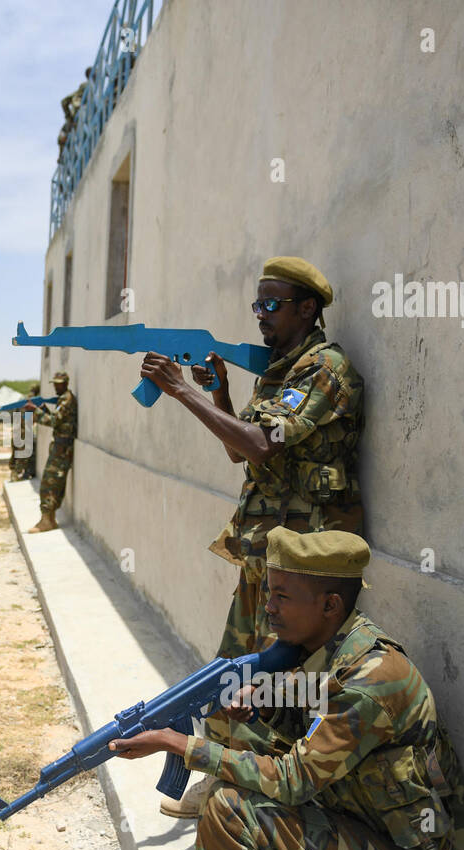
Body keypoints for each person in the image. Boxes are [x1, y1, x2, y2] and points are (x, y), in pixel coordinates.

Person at [139, 256, 365, 818]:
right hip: (268, 549)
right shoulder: (279, 372)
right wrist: (216, 395)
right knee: (235, 665)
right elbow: (243, 448)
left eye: (272, 304)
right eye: (256, 305)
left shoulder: (323, 369)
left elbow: (263, 446)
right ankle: (222, 776)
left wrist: (179, 393)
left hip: (307, 555)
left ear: (307, 308)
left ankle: (253, 786)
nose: (260, 315)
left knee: (278, 675)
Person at [108, 527, 464, 850]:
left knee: (229, 808)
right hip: (361, 824)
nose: (269, 606)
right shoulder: (328, 648)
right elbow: (312, 714)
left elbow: (293, 780)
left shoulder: (370, 679)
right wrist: (264, 705)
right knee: (236, 730)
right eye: (270, 592)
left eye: (282, 597)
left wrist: (178, 744)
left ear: (330, 606)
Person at [24, 371, 76, 533]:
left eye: (58, 383)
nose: (55, 386)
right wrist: (43, 409)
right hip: (60, 447)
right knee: (54, 483)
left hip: (62, 448)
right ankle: (49, 519)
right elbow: (58, 419)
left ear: (65, 383)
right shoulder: (63, 399)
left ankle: (47, 520)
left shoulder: (66, 399)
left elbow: (54, 421)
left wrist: (36, 412)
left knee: (49, 483)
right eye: (54, 383)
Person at [9, 386, 39, 481]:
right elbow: (31, 418)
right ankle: (16, 474)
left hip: (17, 431)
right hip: (24, 432)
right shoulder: (33, 402)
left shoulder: (22, 400)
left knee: (16, 453)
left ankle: (15, 471)